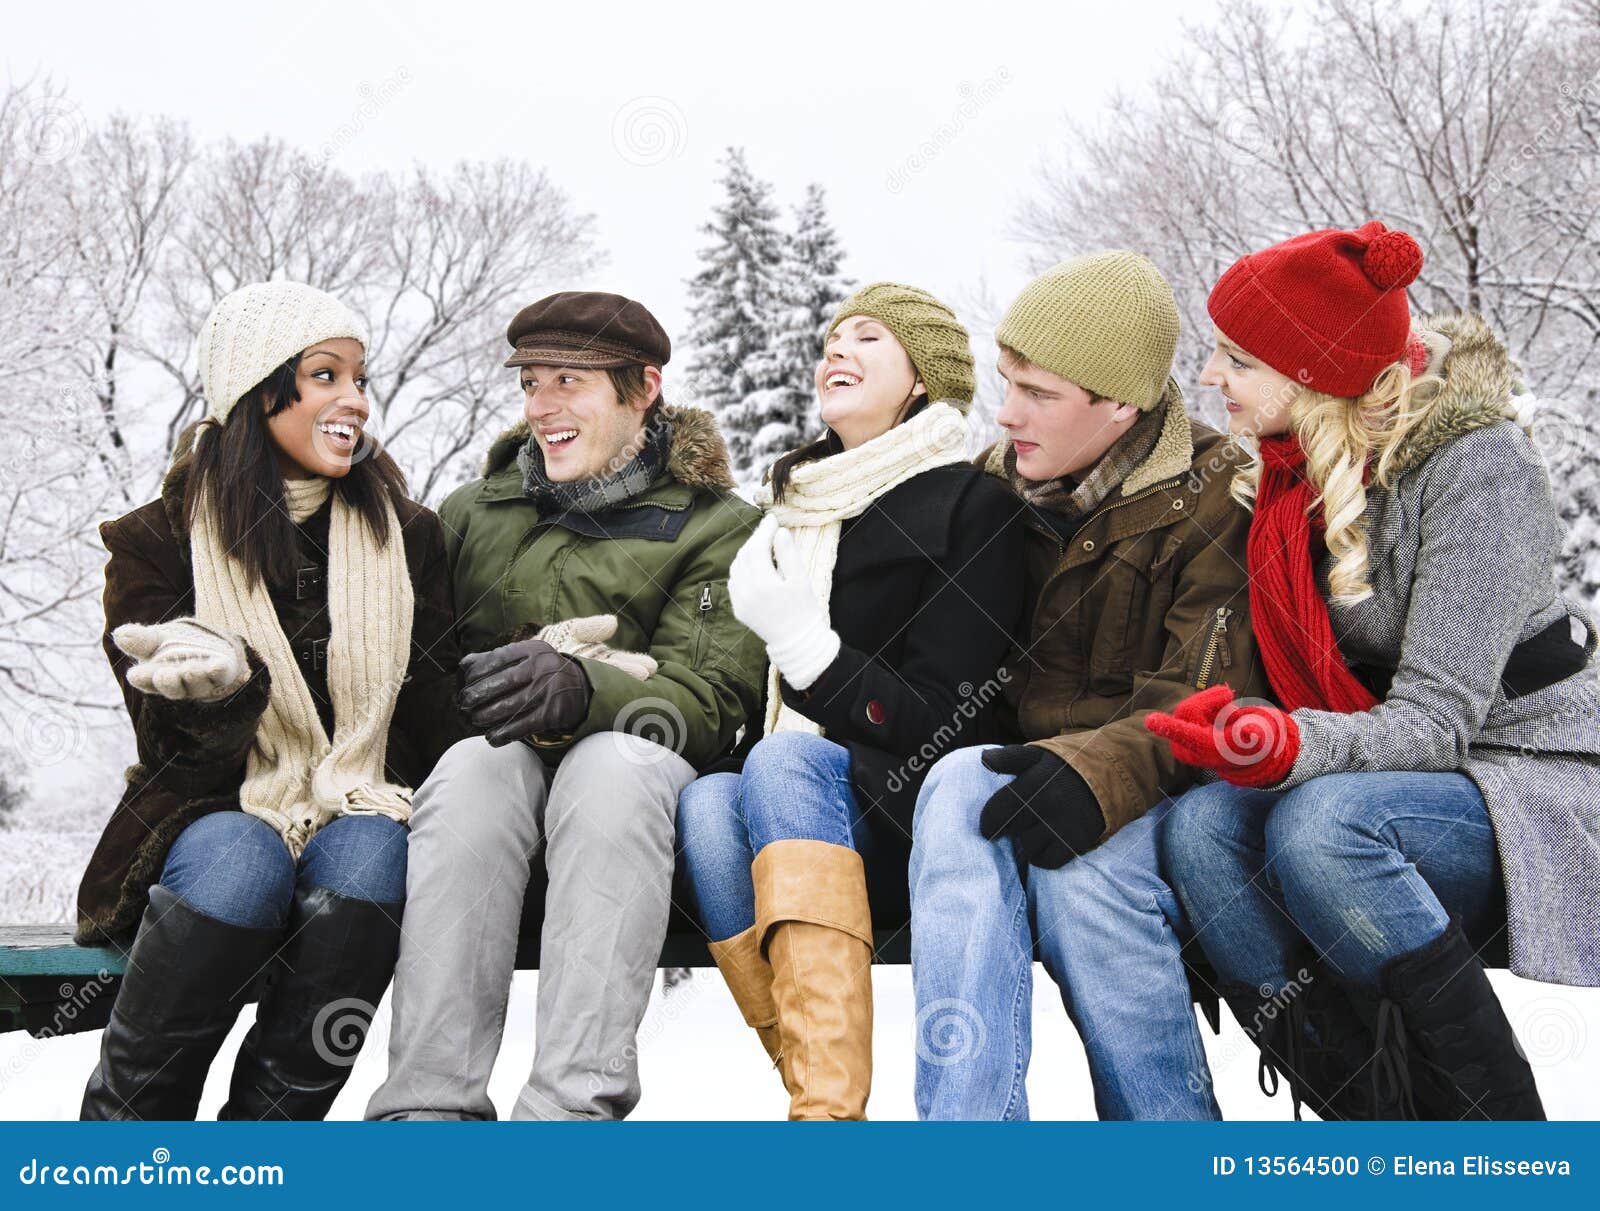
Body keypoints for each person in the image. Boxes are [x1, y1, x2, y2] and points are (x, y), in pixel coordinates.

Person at [1152, 221, 1598, 1120]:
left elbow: (1436, 721)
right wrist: (1233, 723)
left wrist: (1289, 742)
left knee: (1322, 826)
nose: (1209, 377)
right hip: (1412, 780)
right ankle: (1374, 1130)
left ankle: (1501, 1141)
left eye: (1235, 359)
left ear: (1309, 374)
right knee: (1201, 831)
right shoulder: (1287, 481)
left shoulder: (1478, 467)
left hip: (1534, 781)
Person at [366, 291, 765, 1121]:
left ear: (643, 389)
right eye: (530, 384)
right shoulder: (471, 514)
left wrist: (585, 689)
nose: (540, 407)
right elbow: (411, 677)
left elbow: (715, 696)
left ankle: (569, 1115)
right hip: (485, 818)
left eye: (569, 383)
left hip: (626, 819)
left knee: (611, 765)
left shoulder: (717, 525)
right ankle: (426, 1111)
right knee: (476, 765)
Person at [78, 281, 463, 1120]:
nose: (354, 400)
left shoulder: (410, 536)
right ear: (260, 392)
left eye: (360, 378)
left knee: (371, 855)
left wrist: (537, 672)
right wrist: (220, 694)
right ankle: (122, 1141)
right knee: (242, 857)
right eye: (326, 376)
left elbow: (432, 723)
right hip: (210, 809)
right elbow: (173, 756)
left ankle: (268, 1144)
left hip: (359, 802)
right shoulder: (155, 539)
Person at [908, 252, 1268, 1120]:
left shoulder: (1220, 495)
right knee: (957, 781)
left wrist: (1090, 773)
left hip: (1165, 783)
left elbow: (1204, 694)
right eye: (1006, 383)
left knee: (1086, 873)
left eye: (1039, 392)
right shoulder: (989, 494)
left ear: (1120, 404)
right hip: (1023, 777)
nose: (1006, 413)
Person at [676, 284, 1025, 1119]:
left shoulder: (975, 507)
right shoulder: (789, 513)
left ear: (920, 381)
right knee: (707, 801)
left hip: (923, 819)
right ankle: (820, 1091)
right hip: (794, 830)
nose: (837, 348)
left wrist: (811, 652)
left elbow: (956, 719)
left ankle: (824, 1118)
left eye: (868, 336)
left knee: (786, 756)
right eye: (832, 335)